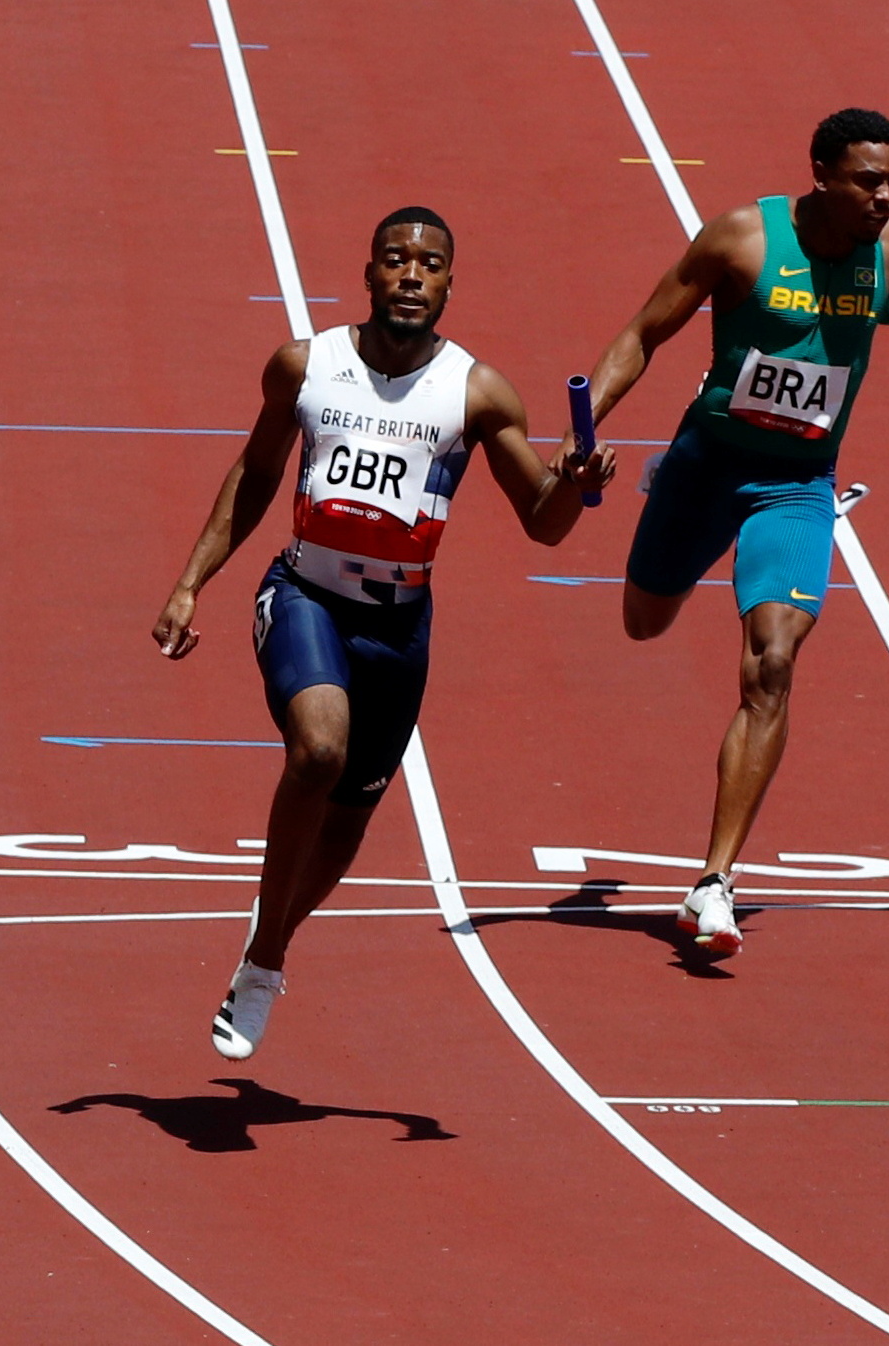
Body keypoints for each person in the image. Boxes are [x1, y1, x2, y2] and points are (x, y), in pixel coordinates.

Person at [569, 108, 889, 956]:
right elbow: (643, 333)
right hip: (706, 468)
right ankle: (671, 497)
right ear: (820, 174)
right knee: (642, 620)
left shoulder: (886, 249)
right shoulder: (739, 240)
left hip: (797, 484)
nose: (884, 196)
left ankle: (713, 884)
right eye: (867, 181)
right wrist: (587, 428)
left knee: (772, 660)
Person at [154, 207, 614, 1059]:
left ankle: (273, 938)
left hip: (399, 630)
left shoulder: (476, 392)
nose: (411, 275)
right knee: (319, 752)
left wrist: (576, 484)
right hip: (306, 597)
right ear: (367, 275)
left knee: (347, 825)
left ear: (448, 283)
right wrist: (190, 583)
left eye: (429, 264)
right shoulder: (307, 365)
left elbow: (542, 525)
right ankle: (262, 964)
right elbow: (255, 474)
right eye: (395, 260)